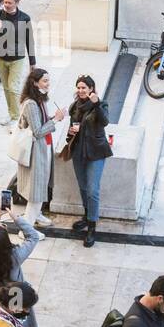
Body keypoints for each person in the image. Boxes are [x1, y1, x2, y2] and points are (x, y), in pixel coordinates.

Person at [65, 74, 112, 247]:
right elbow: (72, 128)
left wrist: (97, 103)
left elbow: (105, 121)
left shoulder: (101, 104)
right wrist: (70, 134)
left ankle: (92, 226)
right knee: (83, 187)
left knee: (92, 190)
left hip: (96, 152)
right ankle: (86, 215)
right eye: (78, 87)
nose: (81, 90)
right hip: (78, 151)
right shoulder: (74, 106)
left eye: (84, 87)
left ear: (91, 89)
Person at [15, 67, 63, 227]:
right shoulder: (31, 103)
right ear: (35, 83)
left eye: (48, 80)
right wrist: (55, 120)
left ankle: (38, 214)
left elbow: (40, 122)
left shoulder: (39, 99)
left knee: (40, 184)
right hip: (37, 151)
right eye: (45, 80)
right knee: (37, 189)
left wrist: (52, 118)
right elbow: (37, 131)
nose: (48, 83)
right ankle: (27, 229)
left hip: (44, 148)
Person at [0, 0, 37, 126]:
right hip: (1, 57)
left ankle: (17, 117)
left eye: (9, 3)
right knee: (6, 88)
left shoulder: (24, 18)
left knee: (13, 87)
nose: (6, 5)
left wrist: (32, 62)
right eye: (5, 2)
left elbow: (30, 40)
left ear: (17, 2)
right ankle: (12, 114)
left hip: (17, 58)